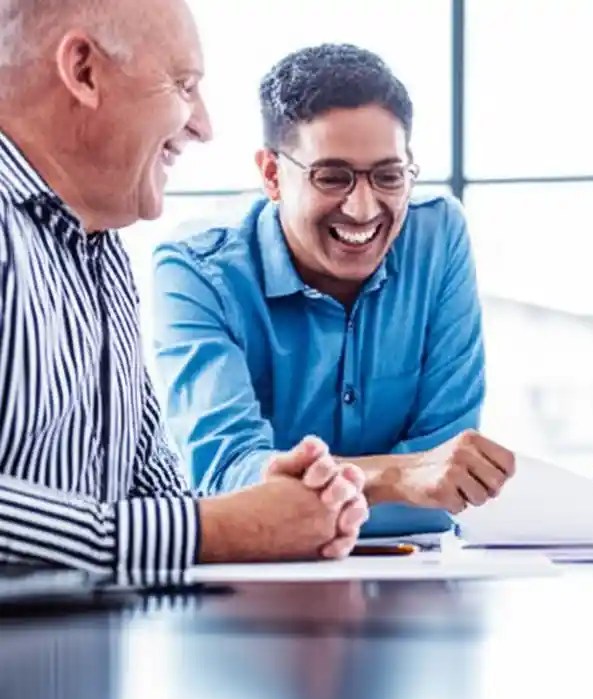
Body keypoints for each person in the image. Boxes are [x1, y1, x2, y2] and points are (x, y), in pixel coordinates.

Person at [0, 0, 368, 580]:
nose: (203, 124)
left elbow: (148, 489)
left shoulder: (101, 254)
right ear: (83, 72)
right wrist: (214, 529)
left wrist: (267, 507)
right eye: (183, 85)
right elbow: (179, 533)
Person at [151, 44, 514, 537]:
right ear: (272, 175)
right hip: (262, 587)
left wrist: (301, 495)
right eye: (332, 177)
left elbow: (450, 478)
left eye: (388, 176)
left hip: (418, 576)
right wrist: (399, 477)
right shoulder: (195, 273)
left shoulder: (438, 238)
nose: (363, 209)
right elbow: (226, 482)